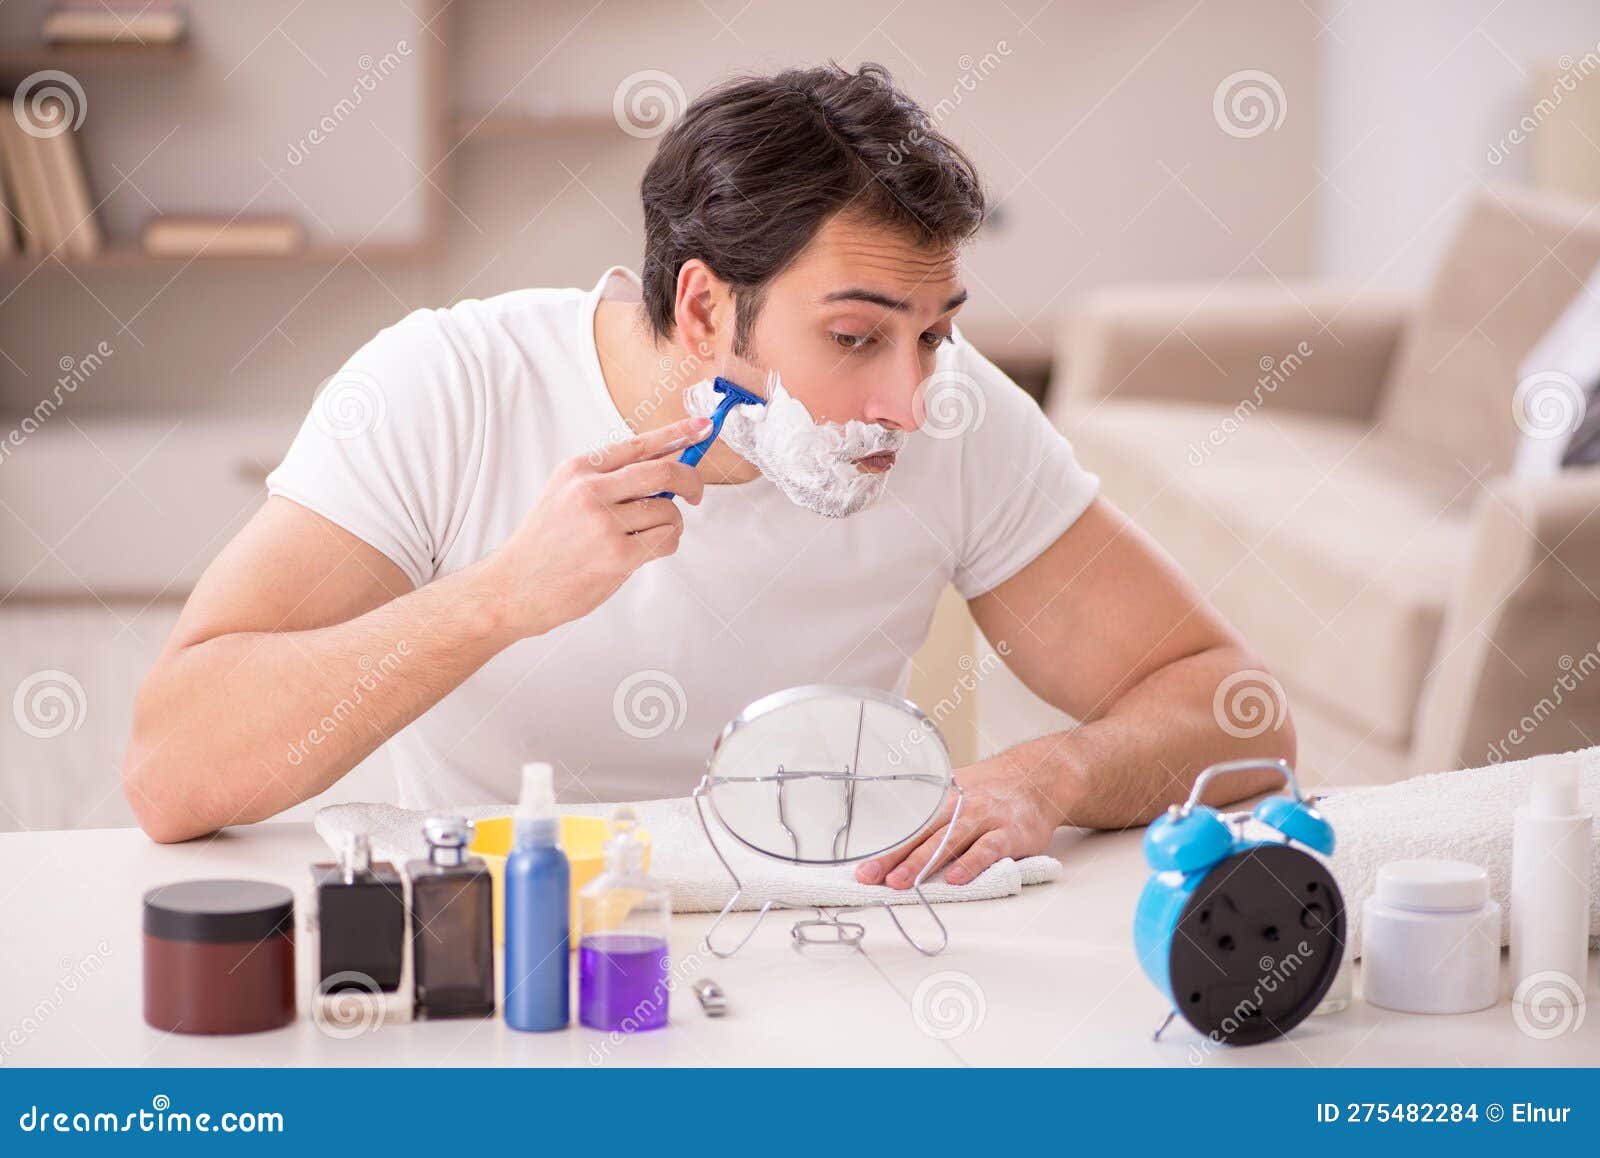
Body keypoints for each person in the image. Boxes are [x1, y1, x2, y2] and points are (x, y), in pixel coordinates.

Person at [123, 63, 1293, 890]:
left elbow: (1236, 708)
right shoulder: (448, 385)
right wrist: (498, 598)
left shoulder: (957, 411)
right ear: (700, 307)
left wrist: (1059, 770)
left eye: (933, 332)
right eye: (854, 337)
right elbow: (172, 769)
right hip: (512, 945)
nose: (909, 399)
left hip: (816, 938)